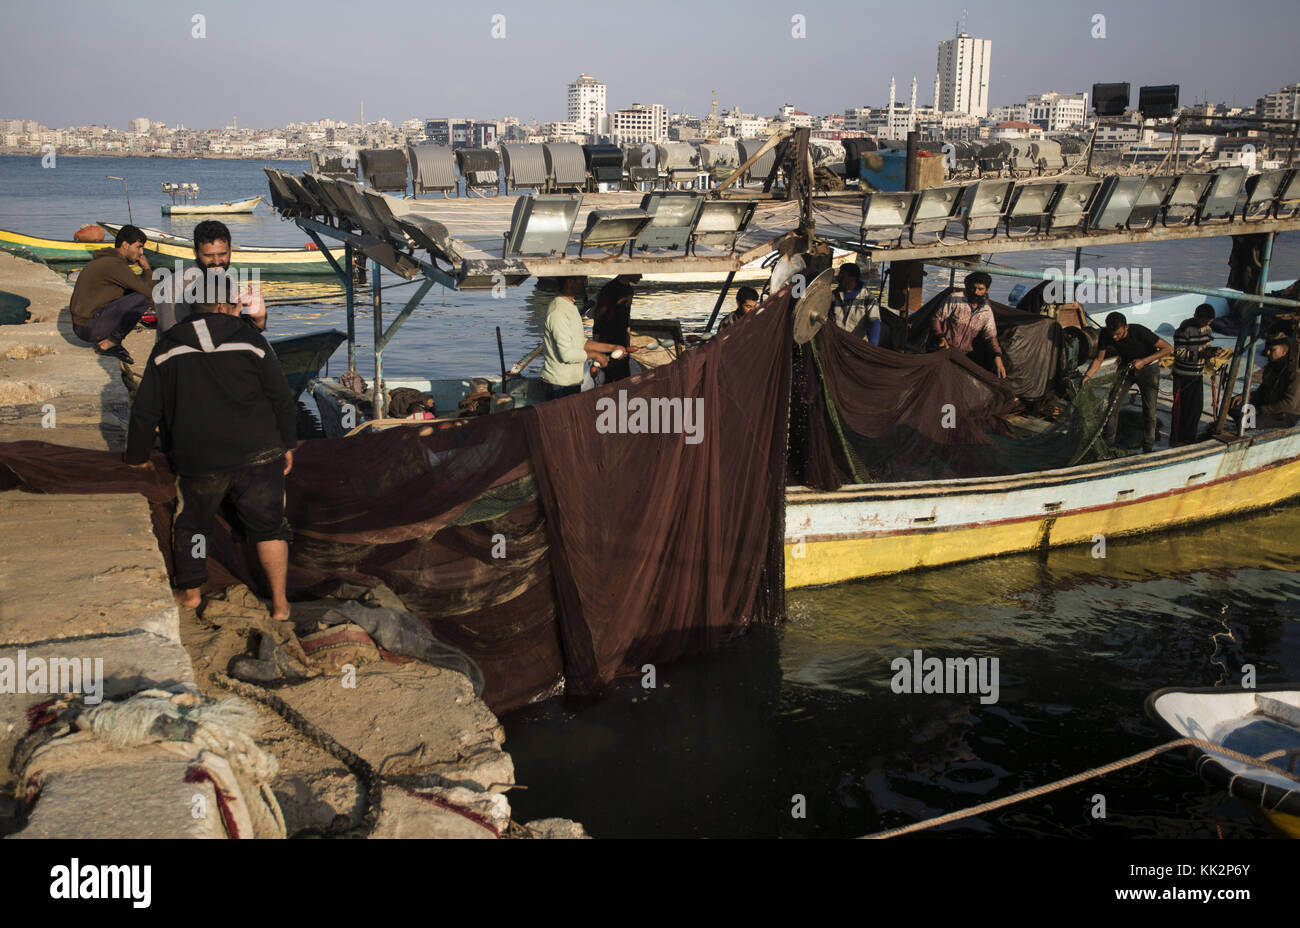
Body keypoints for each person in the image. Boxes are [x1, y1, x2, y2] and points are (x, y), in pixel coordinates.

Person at [123, 282, 297, 620]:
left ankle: (191, 593)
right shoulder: (252, 341)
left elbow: (146, 410)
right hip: (258, 453)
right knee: (270, 527)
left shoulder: (168, 346)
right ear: (225, 306)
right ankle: (279, 604)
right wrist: (288, 444)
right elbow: (281, 398)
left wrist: (138, 456)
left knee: (193, 525)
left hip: (199, 459)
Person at [1083, 311, 1172, 453]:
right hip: (1126, 368)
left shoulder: (1139, 331)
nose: (1115, 337)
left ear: (1126, 327)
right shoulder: (1106, 334)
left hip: (1149, 370)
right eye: (1112, 334)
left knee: (1149, 411)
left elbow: (1168, 348)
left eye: (1118, 334)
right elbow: (1099, 359)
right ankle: (1108, 444)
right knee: (1112, 406)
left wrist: (1143, 361)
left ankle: (1148, 446)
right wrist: (1088, 376)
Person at [156, 220, 266, 334]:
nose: (217, 262)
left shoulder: (228, 279)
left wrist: (259, 319)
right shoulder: (175, 286)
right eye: (208, 255)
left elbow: (241, 333)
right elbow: (171, 336)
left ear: (230, 250)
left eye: (222, 254)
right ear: (195, 253)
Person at [69, 224, 155, 363]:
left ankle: (105, 337)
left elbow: (137, 287)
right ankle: (109, 343)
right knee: (142, 298)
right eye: (138, 247)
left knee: (135, 293)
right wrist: (147, 269)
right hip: (87, 327)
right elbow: (149, 292)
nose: (141, 252)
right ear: (125, 245)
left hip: (85, 324)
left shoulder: (109, 260)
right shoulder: (114, 265)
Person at [541, 275, 623, 399]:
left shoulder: (570, 306)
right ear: (569, 281)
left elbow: (581, 342)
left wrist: (612, 347)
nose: (585, 282)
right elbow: (567, 355)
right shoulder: (558, 312)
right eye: (582, 279)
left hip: (571, 382)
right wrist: (596, 355)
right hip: (558, 385)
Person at [930, 271, 1007, 378]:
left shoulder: (986, 310)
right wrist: (940, 336)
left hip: (965, 356)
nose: (976, 292)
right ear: (967, 287)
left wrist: (997, 357)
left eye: (980, 289)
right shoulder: (955, 299)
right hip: (945, 349)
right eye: (973, 288)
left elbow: (991, 336)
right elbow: (936, 318)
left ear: (986, 290)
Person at [1230, 332, 1300, 429]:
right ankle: (1245, 425)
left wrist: (1260, 410)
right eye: (1267, 349)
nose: (1267, 353)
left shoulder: (1294, 371)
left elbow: (1289, 403)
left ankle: (1247, 427)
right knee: (1233, 406)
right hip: (1267, 407)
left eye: (1272, 350)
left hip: (1285, 414)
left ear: (1284, 351)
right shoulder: (1271, 367)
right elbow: (1263, 391)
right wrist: (1247, 396)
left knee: (1250, 421)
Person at [1170, 303, 1216, 445]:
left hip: (1197, 375)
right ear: (1196, 317)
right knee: (1181, 410)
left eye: (1208, 322)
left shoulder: (1208, 329)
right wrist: (1201, 354)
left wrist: (1211, 354)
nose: (1205, 325)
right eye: (1203, 321)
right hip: (1183, 376)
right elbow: (1179, 353)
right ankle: (1177, 440)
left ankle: (1189, 437)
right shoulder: (1184, 330)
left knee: (1195, 409)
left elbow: (1206, 346)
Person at [592, 275, 640, 382]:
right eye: (639, 272)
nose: (641, 276)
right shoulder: (608, 290)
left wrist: (627, 339)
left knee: (624, 377)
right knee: (608, 377)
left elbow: (626, 317)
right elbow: (599, 318)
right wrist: (596, 347)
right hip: (607, 340)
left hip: (622, 339)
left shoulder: (629, 290)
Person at [829, 263, 881, 344]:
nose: (838, 278)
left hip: (858, 346)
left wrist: (872, 349)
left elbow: (874, 323)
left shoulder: (868, 298)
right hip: (837, 345)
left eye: (842, 276)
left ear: (852, 278)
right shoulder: (833, 296)